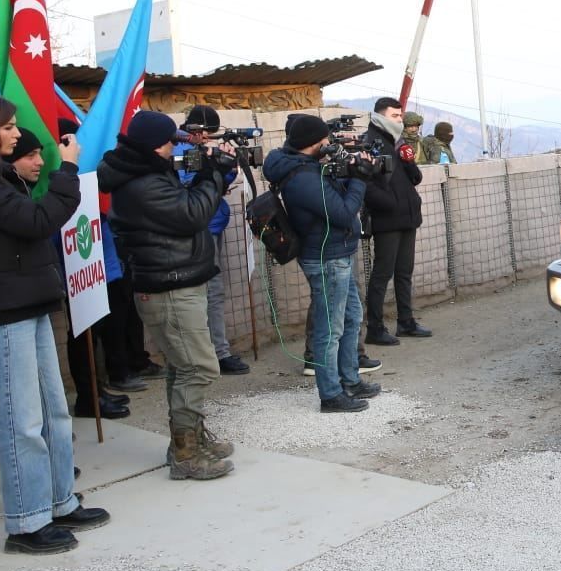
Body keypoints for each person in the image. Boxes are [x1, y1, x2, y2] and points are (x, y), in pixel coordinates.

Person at [0, 94, 110, 554]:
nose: (17, 134)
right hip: (2, 312)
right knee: (22, 420)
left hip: (30, 304)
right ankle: (26, 523)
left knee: (53, 412)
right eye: (8, 127)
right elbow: (37, 220)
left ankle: (59, 502)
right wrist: (66, 171)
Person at [97, 110, 235, 481]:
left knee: (183, 365)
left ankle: (187, 441)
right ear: (157, 145)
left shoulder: (144, 173)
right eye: (172, 141)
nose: (177, 147)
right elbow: (191, 214)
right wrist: (211, 174)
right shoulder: (142, 183)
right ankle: (187, 455)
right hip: (170, 287)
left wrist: (210, 173)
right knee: (199, 367)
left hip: (175, 281)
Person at [5, 132, 130, 421]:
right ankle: (87, 397)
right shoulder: (20, 193)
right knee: (81, 331)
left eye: (40, 154)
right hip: (57, 271)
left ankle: (95, 392)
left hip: (81, 266)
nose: (39, 162)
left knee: (94, 328)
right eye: (30, 155)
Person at [265, 114, 381, 412]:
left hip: (338, 253)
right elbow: (342, 213)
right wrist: (359, 179)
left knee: (352, 318)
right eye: (325, 141)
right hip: (326, 257)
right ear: (314, 144)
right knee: (330, 329)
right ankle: (331, 394)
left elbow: (331, 197)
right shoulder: (303, 178)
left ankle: (350, 380)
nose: (330, 144)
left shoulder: (306, 165)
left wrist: (349, 171)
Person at [175, 105, 250, 376]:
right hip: (195, 231)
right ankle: (213, 354)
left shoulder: (202, 150)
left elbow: (215, 185)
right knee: (204, 294)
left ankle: (217, 351)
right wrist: (214, 168)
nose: (209, 138)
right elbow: (189, 188)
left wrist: (226, 168)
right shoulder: (178, 154)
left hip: (212, 225)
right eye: (207, 133)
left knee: (215, 292)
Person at [361, 97, 431, 343]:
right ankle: (375, 328)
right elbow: (366, 185)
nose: (400, 120)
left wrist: (408, 159)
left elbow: (415, 178)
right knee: (382, 273)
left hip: (408, 217)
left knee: (404, 272)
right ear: (380, 116)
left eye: (401, 116)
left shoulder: (397, 142)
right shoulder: (370, 142)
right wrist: (389, 204)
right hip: (387, 220)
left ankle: (406, 322)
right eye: (395, 116)